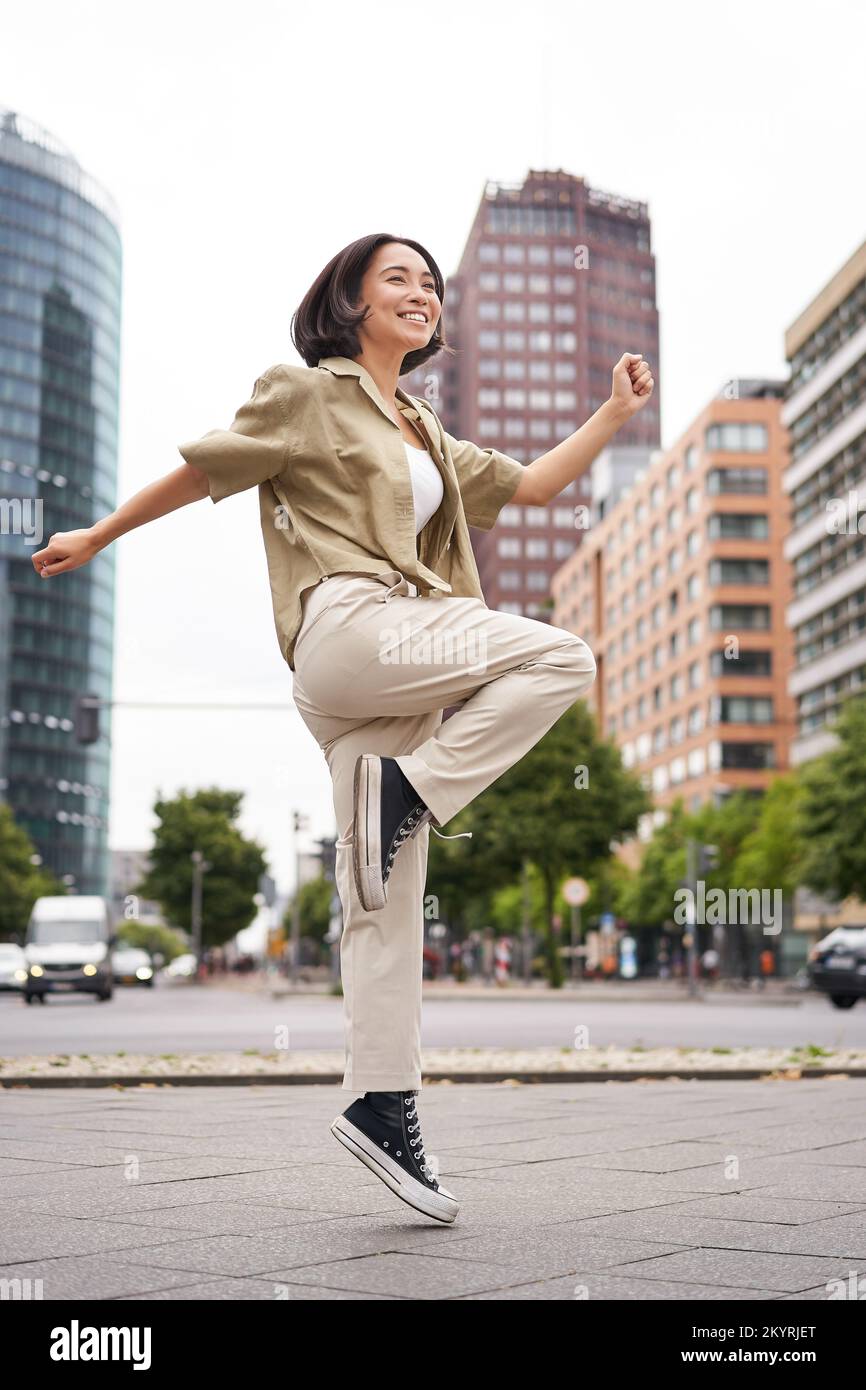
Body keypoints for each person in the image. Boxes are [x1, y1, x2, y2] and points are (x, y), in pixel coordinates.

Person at [30, 232, 653, 1224]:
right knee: (561, 655)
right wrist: (99, 534)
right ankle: (407, 794)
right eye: (396, 278)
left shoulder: (425, 431)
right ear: (351, 302)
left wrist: (613, 412)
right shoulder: (308, 392)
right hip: (352, 629)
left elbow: (532, 488)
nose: (420, 292)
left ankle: (381, 1103)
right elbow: (204, 470)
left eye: (429, 282)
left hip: (395, 678)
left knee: (381, 905)